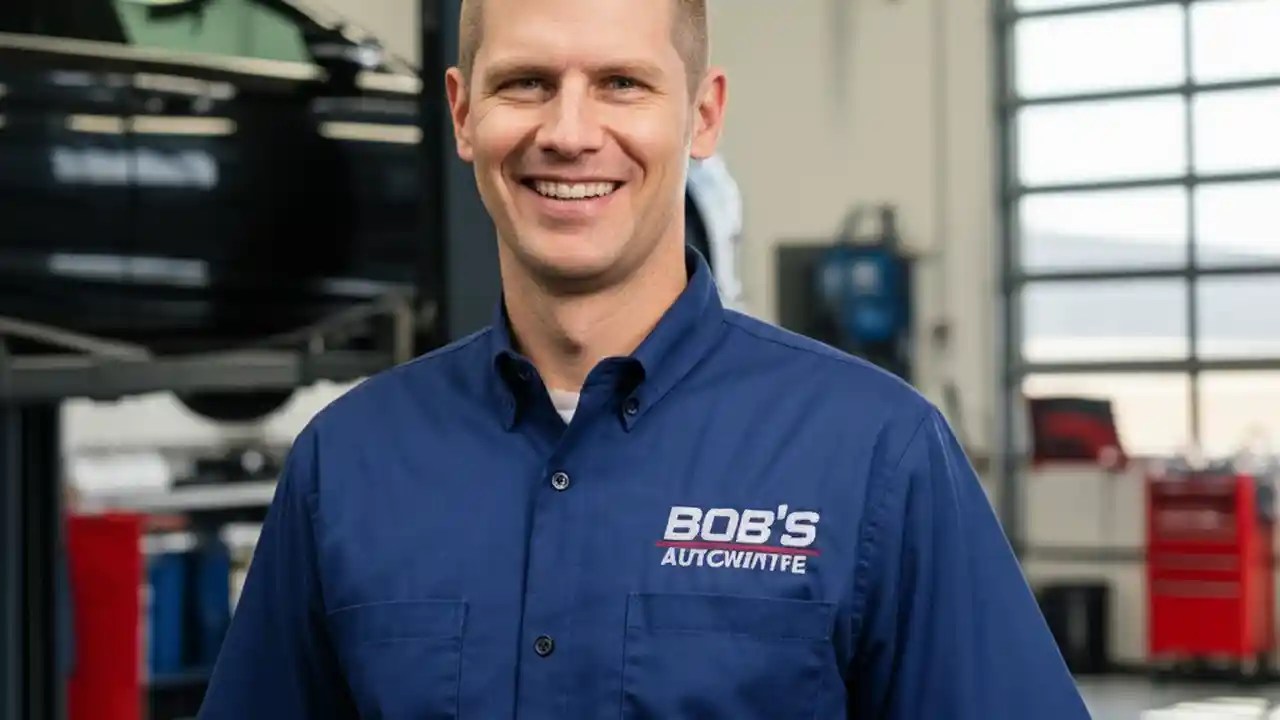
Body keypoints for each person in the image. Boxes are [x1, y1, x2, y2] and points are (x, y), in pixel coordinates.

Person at [198, 0, 1092, 717]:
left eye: (621, 83)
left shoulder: (876, 456)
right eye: (526, 83)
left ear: (702, 114)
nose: (569, 132)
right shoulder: (346, 463)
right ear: (464, 114)